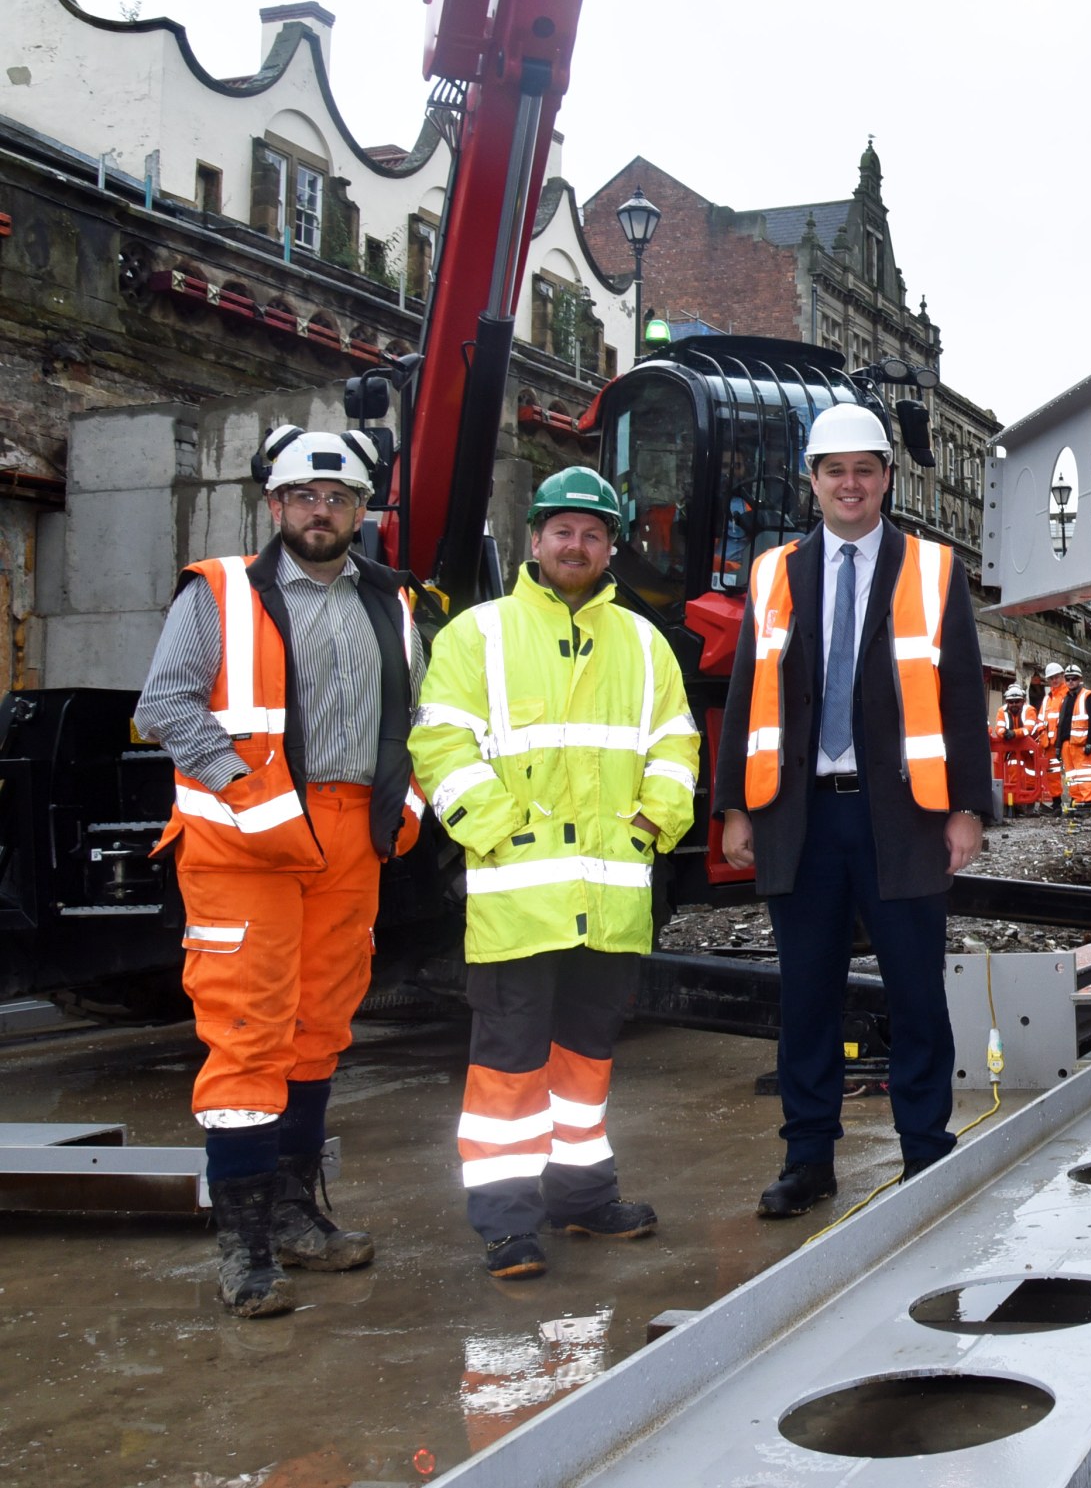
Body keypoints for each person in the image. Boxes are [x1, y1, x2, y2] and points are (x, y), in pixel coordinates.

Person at [133, 426, 426, 1318]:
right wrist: (242, 787)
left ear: (361, 511)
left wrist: (401, 809)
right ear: (276, 505)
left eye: (339, 499)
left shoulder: (394, 602)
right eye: (305, 497)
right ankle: (246, 1247)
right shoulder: (220, 591)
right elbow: (165, 705)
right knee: (248, 1034)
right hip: (243, 847)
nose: (322, 512)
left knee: (320, 1026)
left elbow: (411, 719)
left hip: (346, 842)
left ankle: (298, 1217)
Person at [409, 467, 699, 1281]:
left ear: (612, 547)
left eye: (594, 533)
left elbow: (676, 747)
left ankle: (582, 1194)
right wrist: (496, 831)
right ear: (535, 538)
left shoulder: (643, 644)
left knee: (586, 1059)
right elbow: (440, 745)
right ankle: (507, 1222)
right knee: (508, 1063)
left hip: (608, 899)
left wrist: (652, 825)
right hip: (516, 897)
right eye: (563, 530)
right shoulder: (479, 634)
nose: (578, 545)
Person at [712, 400, 997, 1219]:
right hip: (800, 813)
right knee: (806, 990)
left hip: (901, 814)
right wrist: (735, 806)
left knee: (914, 989)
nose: (849, 484)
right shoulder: (774, 573)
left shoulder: (933, 571)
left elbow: (959, 700)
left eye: (864, 470)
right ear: (813, 480)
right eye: (834, 470)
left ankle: (925, 1151)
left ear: (885, 479)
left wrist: (967, 809)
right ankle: (808, 1157)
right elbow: (747, 696)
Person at [992, 682, 1047, 818]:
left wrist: (1014, 734)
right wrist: (1004, 733)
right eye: (1011, 702)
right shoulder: (1001, 711)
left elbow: (1028, 728)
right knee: (1011, 773)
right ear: (1007, 702)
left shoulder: (1029, 710)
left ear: (1023, 701)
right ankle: (1014, 804)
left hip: (1031, 750)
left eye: (1017, 701)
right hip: (1012, 749)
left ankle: (1030, 805)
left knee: (1031, 776)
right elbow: (999, 728)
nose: (1014, 704)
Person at [1059, 664, 1091, 811]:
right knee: (1071, 776)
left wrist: (1090, 742)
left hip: (1082, 744)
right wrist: (1059, 746)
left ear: (1080, 679)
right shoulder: (1066, 698)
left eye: (1074, 678)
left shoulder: (1087, 696)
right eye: (1068, 679)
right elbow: (1062, 723)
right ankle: (1077, 802)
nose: (1070, 681)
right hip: (1067, 743)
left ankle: (1088, 802)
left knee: (1085, 774)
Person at [1034, 660, 1068, 812]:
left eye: (1057, 677)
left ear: (1062, 676)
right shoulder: (1047, 699)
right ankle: (1057, 803)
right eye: (1051, 678)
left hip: (1065, 740)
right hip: (1049, 744)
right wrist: (1042, 735)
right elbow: (1040, 720)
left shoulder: (1067, 694)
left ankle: (1078, 802)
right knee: (1052, 774)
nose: (1054, 680)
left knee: (1072, 773)